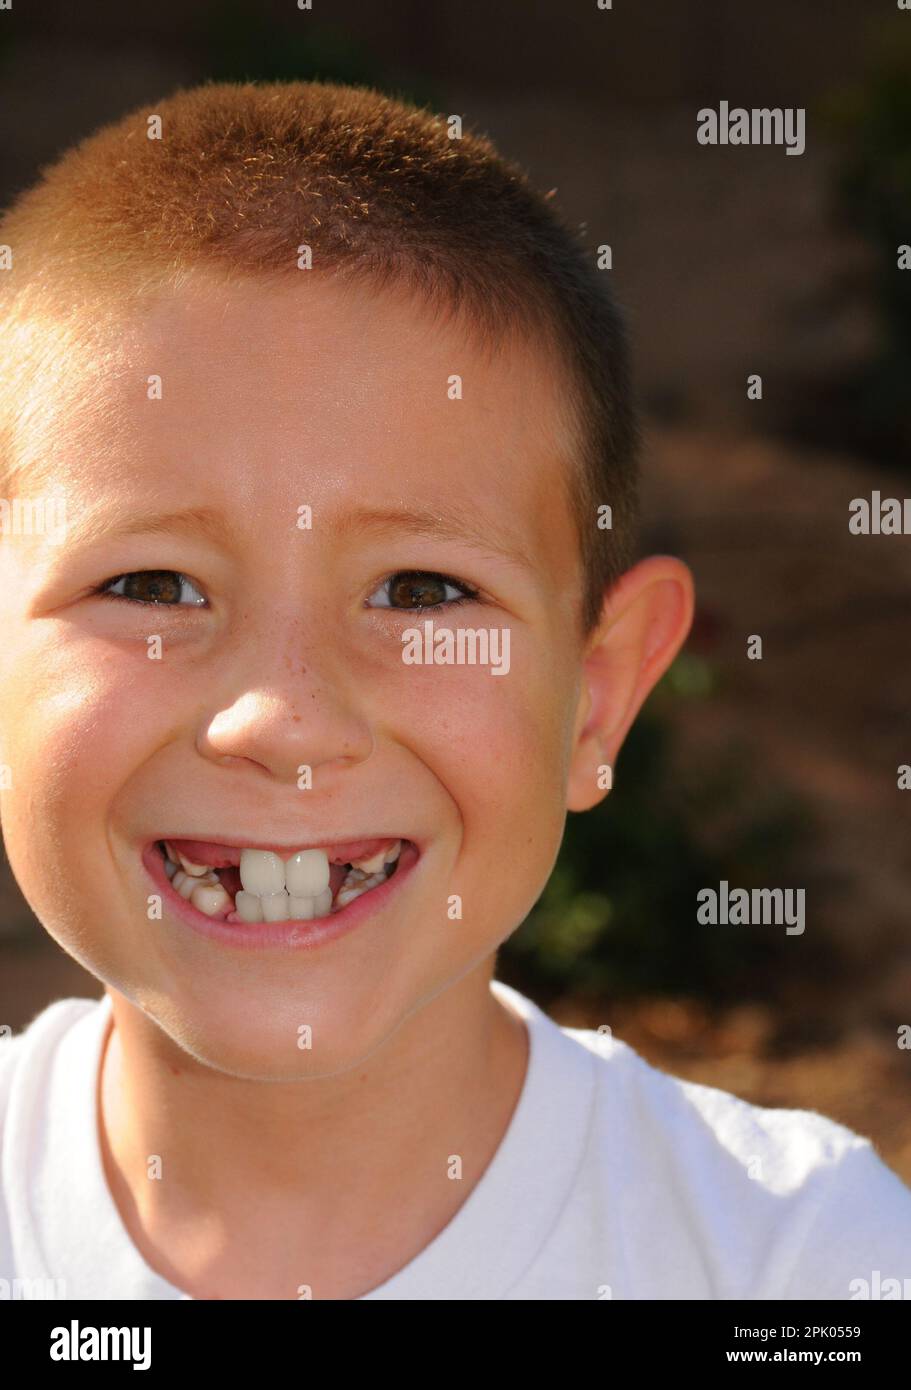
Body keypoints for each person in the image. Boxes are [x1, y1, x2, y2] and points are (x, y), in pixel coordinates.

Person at [0, 80, 908, 1300]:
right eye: (155, 583)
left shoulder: (799, 1266)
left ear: (594, 698)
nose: (283, 718)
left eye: (421, 593)